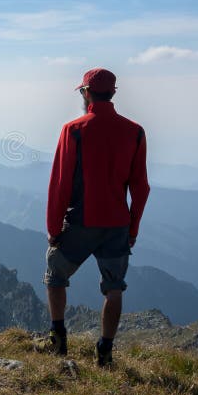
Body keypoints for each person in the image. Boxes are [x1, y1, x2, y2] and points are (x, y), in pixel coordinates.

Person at [43, 67, 150, 366]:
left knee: (55, 275)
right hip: (117, 225)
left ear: (87, 93)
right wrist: (132, 229)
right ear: (113, 93)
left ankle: (58, 337)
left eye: (82, 91)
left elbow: (60, 184)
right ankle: (105, 351)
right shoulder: (135, 132)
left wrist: (53, 227)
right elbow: (140, 188)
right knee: (114, 288)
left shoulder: (73, 130)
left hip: (81, 221)